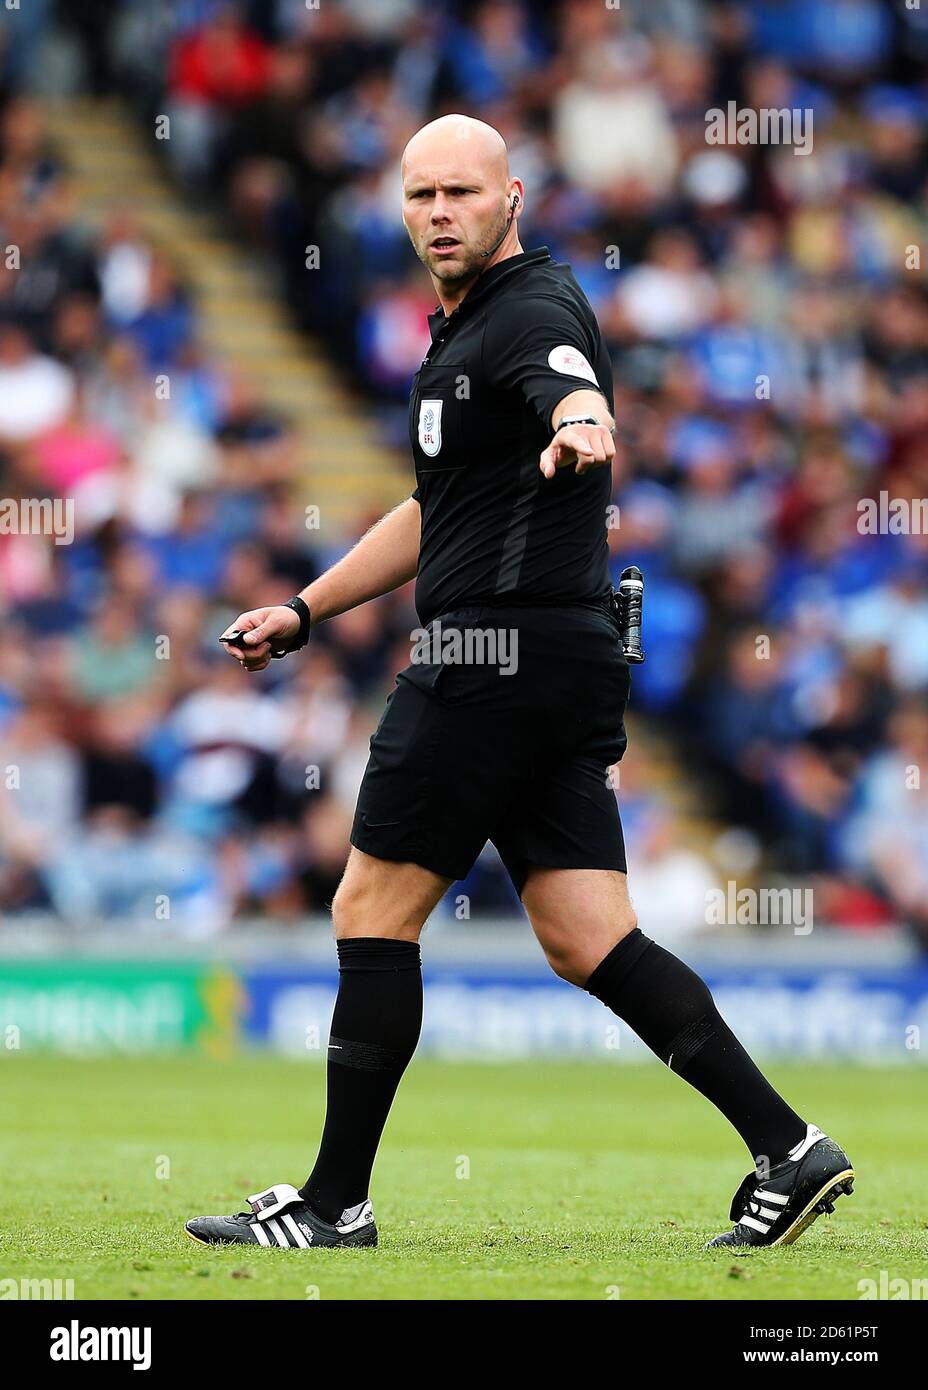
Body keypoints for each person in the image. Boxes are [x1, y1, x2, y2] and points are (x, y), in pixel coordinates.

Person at [186, 116, 853, 1253]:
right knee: (585, 933)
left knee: (368, 908)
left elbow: (575, 395)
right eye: (419, 194)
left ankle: (334, 1201)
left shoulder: (529, 313)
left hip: (487, 659)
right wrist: (304, 611)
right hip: (559, 661)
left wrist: (584, 431)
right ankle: (789, 1149)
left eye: (460, 191)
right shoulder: (458, 337)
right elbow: (430, 511)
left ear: (514, 197)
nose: (438, 211)